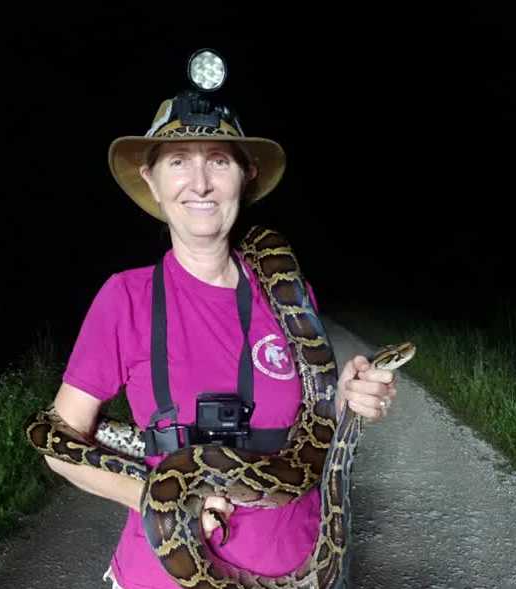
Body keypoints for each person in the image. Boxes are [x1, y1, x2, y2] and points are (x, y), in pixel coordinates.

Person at [44, 90, 400, 589]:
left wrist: (346, 401)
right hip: (162, 575)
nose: (201, 184)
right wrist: (159, 492)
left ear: (245, 175)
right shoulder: (124, 297)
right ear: (152, 179)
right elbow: (57, 443)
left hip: (304, 564)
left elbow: (311, 423)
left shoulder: (290, 294)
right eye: (177, 162)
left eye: (218, 161)